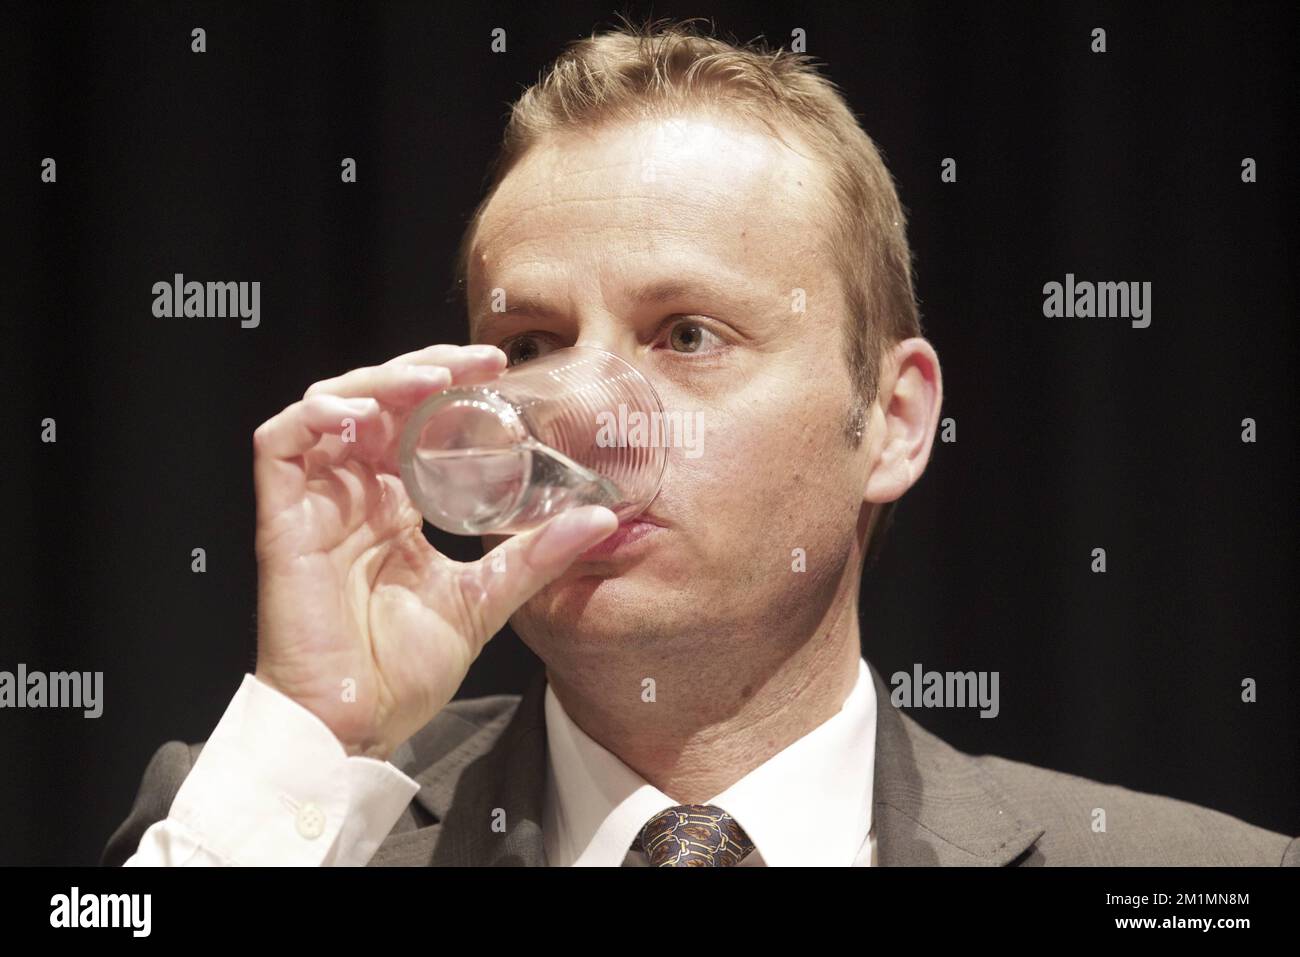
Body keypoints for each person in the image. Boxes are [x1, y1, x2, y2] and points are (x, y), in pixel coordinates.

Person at [102, 18, 1296, 867]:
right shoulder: (269, 823)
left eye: (684, 335)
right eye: (525, 343)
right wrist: (319, 732)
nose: (580, 409)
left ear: (890, 420)